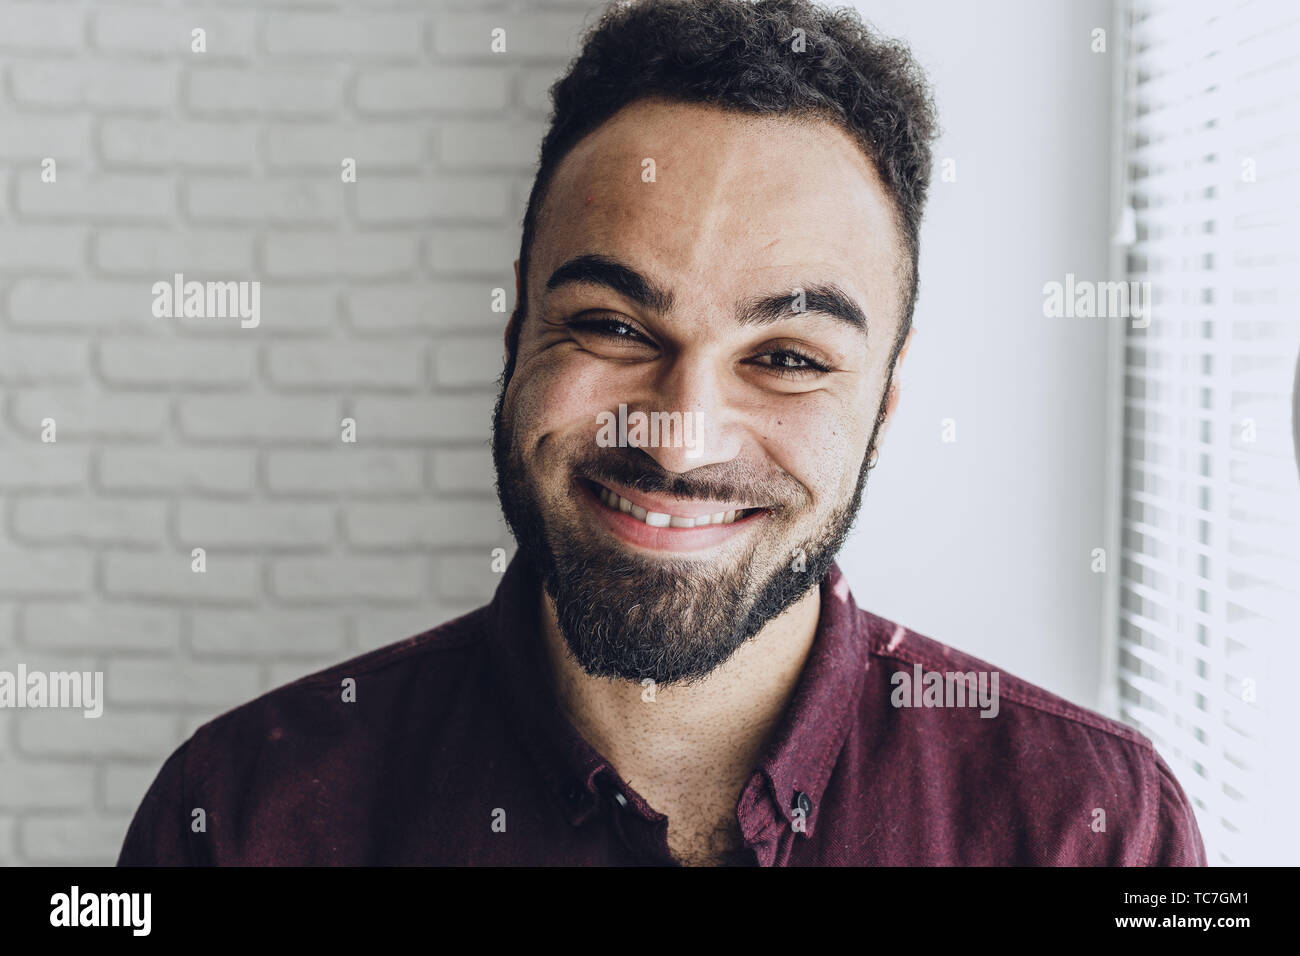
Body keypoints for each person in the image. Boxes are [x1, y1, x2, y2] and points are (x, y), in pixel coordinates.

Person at [119, 0, 1206, 867]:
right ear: (517, 322)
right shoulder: (243, 817)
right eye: (611, 325)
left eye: (785, 355)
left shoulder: (1096, 829)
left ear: (884, 396)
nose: (680, 438)